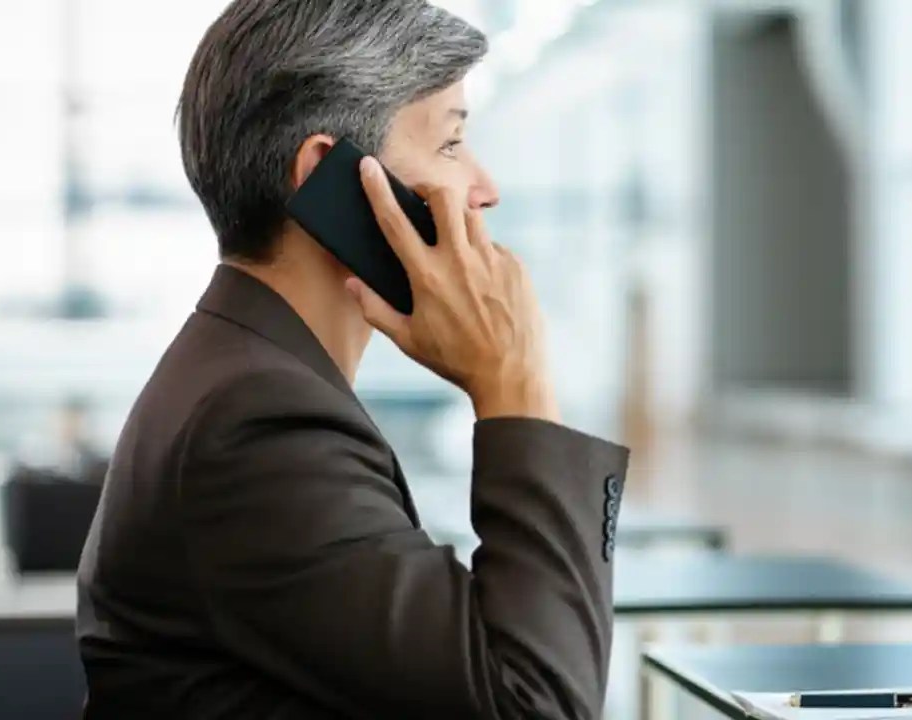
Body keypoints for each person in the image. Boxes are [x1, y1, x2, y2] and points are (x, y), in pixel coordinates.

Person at [75, 1, 629, 718]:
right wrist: (512, 383)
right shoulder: (256, 427)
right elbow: (536, 706)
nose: (485, 190)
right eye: (452, 144)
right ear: (328, 179)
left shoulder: (246, 377)